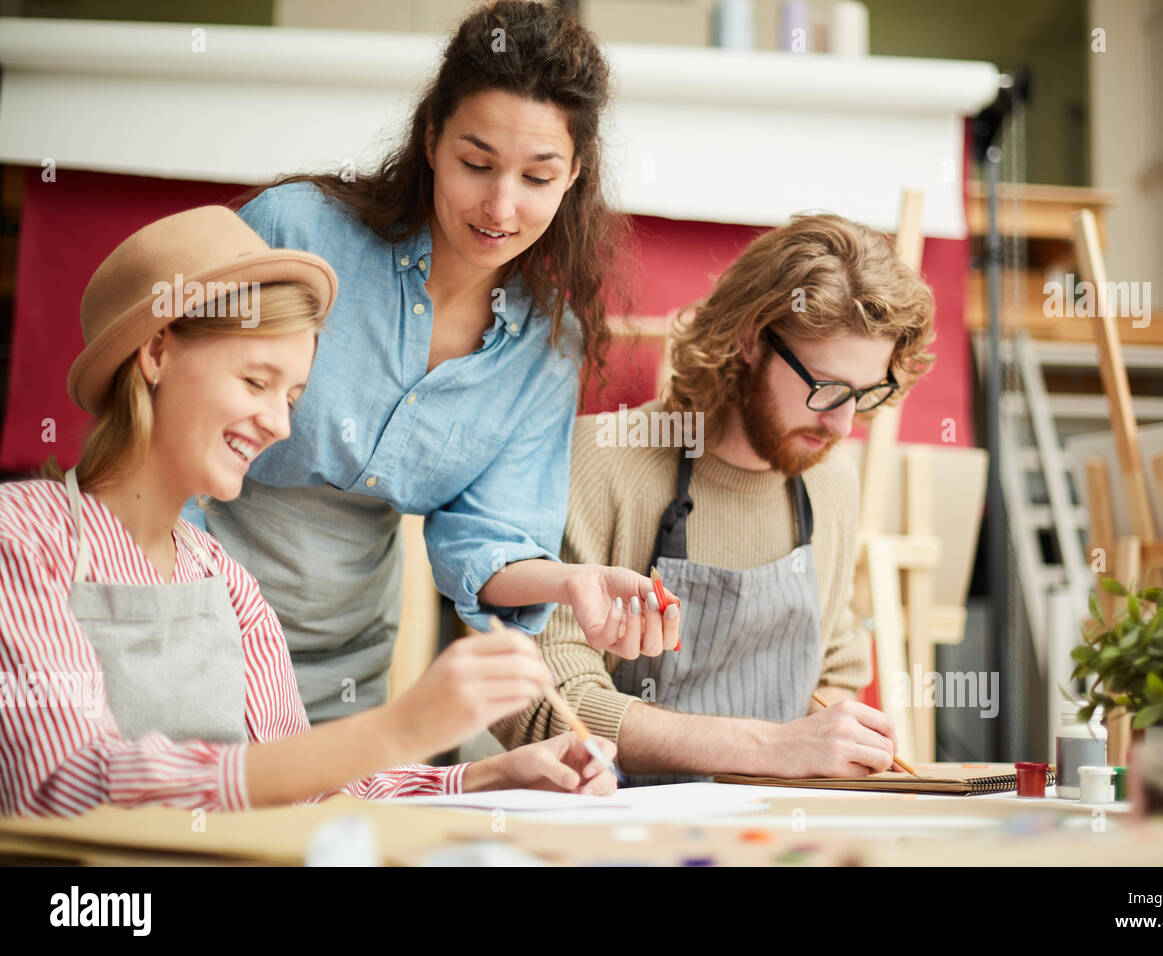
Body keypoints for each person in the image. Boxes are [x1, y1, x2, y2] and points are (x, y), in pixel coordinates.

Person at [0, 207, 615, 818]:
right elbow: (63, 783)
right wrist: (400, 726)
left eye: (292, 397)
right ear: (157, 352)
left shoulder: (226, 581)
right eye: (254, 381)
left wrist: (494, 776)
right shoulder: (23, 537)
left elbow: (305, 777)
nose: (279, 424)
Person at [187, 0, 677, 724]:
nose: (500, 205)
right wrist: (176, 603)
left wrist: (572, 581)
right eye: (476, 163)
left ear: (574, 174)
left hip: (339, 660)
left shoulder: (547, 347)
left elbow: (488, 540)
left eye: (537, 178)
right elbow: (170, 420)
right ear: (430, 140)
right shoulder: (295, 235)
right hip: (182, 604)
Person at [493, 214, 936, 784]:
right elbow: (536, 698)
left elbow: (836, 661)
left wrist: (837, 735)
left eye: (865, 392)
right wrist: (763, 747)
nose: (844, 423)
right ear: (750, 339)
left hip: (775, 825)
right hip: (619, 825)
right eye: (825, 388)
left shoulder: (831, 482)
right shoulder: (604, 459)